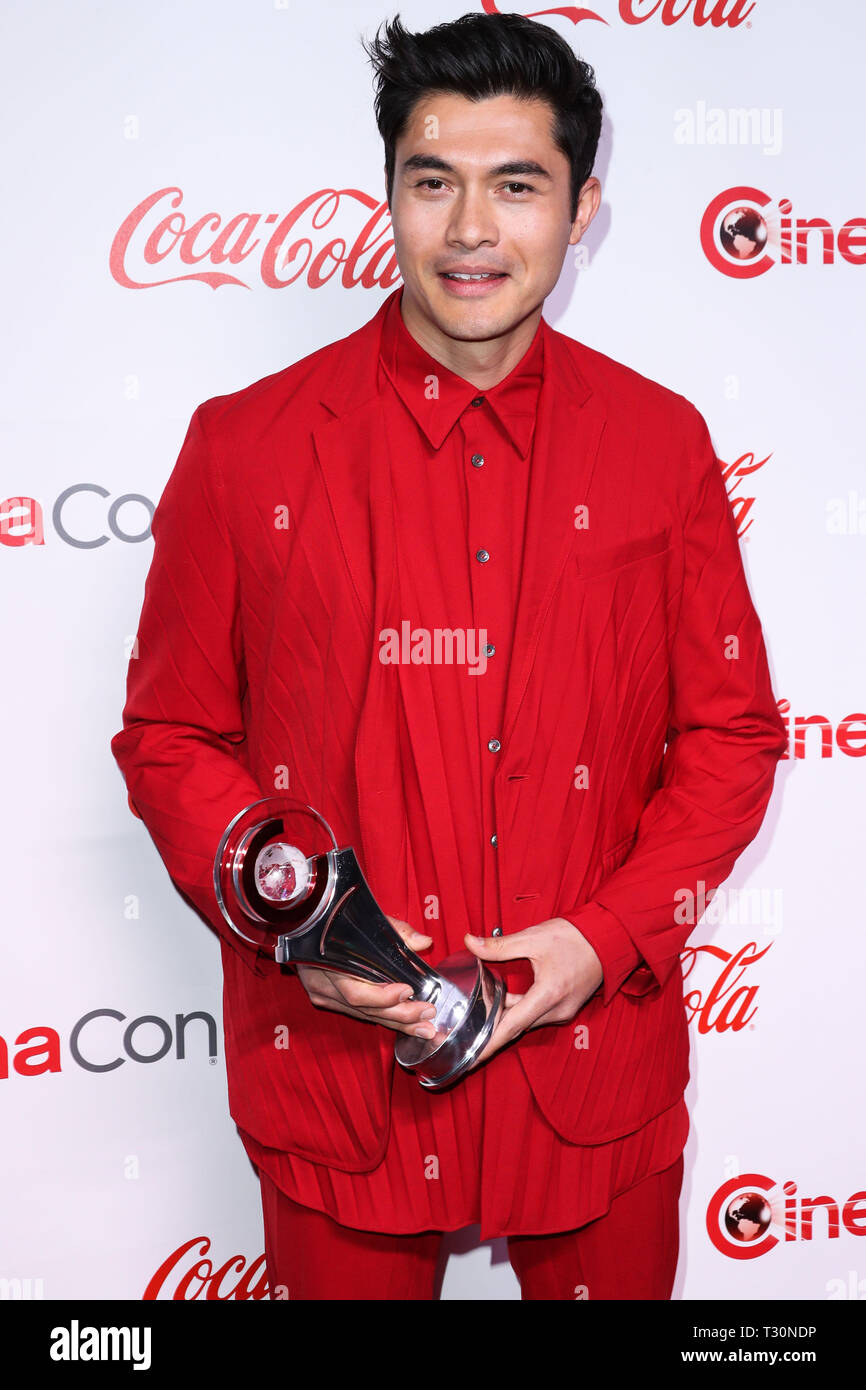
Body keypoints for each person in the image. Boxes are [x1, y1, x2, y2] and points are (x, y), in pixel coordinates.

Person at [110, 10, 787, 1300]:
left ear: (583, 208)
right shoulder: (243, 448)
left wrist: (604, 939)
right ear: (391, 198)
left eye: (518, 184)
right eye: (435, 182)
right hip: (338, 1074)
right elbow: (172, 737)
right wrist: (297, 927)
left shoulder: (660, 445)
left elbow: (731, 734)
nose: (472, 227)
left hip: (598, 1073)